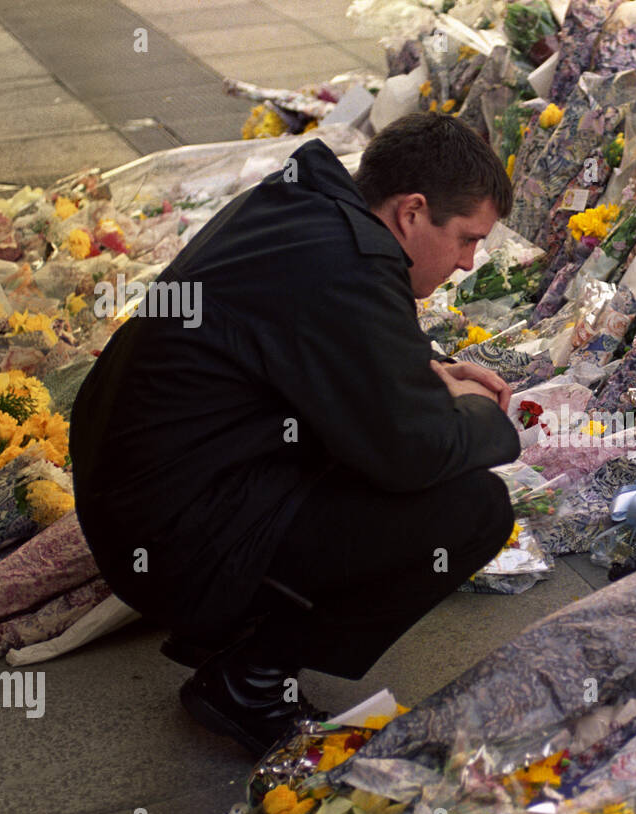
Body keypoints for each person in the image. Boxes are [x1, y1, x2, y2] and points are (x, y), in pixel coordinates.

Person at [69, 114, 522, 754]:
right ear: (413, 212)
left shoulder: (306, 206)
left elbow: (318, 347)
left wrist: (429, 371)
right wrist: (484, 415)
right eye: (467, 240)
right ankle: (248, 681)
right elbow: (414, 452)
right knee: (471, 509)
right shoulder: (348, 263)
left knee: (376, 445)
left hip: (143, 497)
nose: (469, 262)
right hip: (171, 541)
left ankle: (244, 629)